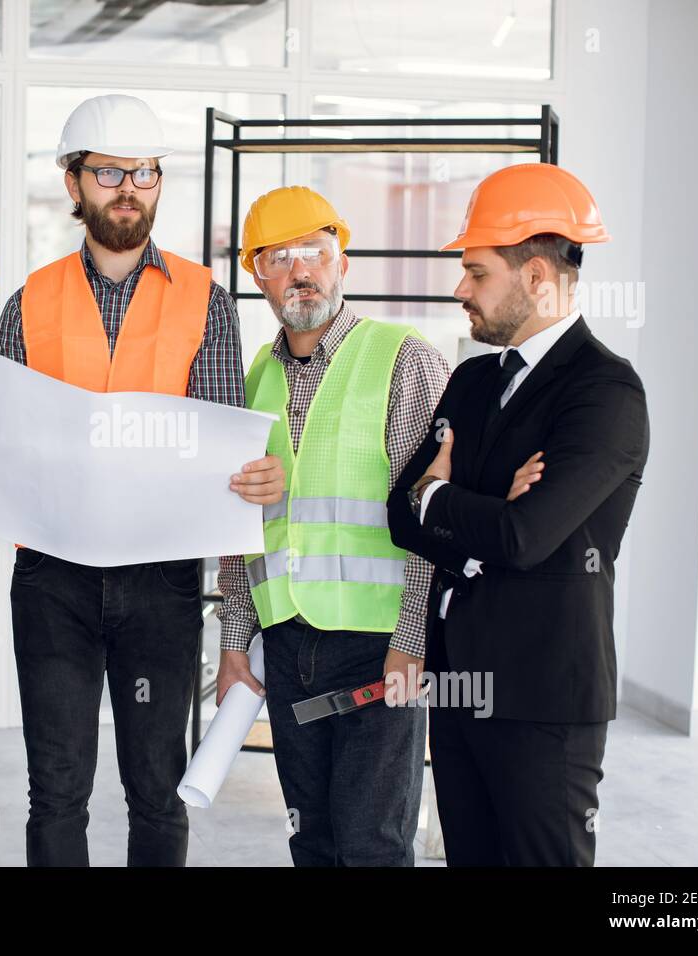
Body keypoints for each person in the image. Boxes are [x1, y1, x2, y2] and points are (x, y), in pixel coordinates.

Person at [0, 94, 284, 867]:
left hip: (160, 580)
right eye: (110, 172)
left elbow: (219, 450)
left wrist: (249, 486)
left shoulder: (207, 302)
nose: (130, 187)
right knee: (55, 787)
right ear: (74, 183)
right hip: (53, 579)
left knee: (156, 789)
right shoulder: (32, 301)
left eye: (146, 172)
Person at [386, 162, 650, 866]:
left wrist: (442, 497)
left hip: (543, 700)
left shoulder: (606, 393)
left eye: (476, 273)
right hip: (460, 685)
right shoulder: (472, 378)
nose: (459, 290)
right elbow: (398, 514)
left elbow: (524, 536)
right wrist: (475, 508)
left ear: (536, 277)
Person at [215, 186, 449, 866]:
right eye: (280, 258)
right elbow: (239, 531)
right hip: (289, 645)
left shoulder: (401, 358)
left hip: (377, 651)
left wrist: (412, 644)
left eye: (316, 252)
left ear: (341, 258)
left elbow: (432, 517)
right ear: (256, 274)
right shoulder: (256, 375)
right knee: (311, 838)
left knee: (372, 843)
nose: (302, 271)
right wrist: (236, 643)